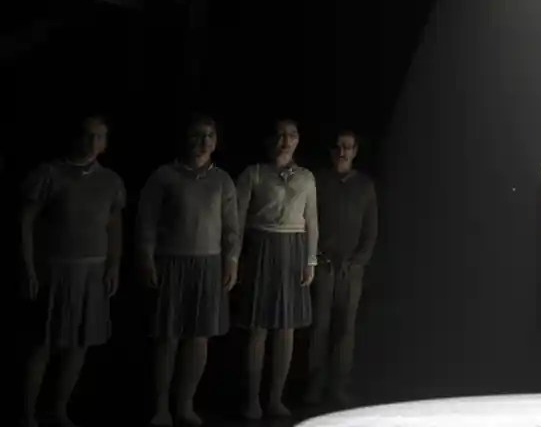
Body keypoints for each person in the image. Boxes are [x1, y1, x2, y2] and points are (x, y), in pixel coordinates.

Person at [20, 115, 126, 427]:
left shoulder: (110, 181)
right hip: (55, 270)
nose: (92, 143)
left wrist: (114, 264)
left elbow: (115, 226)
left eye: (99, 137)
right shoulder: (49, 174)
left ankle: (59, 410)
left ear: (105, 144)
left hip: (92, 272)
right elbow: (25, 222)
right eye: (87, 135)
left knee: (80, 344)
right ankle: (27, 414)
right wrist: (27, 266)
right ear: (76, 137)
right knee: (44, 343)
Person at [136, 115, 241, 426]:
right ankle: (161, 407)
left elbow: (232, 228)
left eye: (209, 135)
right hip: (171, 262)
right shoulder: (164, 176)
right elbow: (146, 222)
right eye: (197, 135)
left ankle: (185, 404)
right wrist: (146, 258)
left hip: (208, 264)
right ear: (185, 138)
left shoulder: (222, 180)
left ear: (216, 141)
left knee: (198, 338)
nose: (204, 141)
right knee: (167, 337)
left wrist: (231, 261)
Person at [234, 118, 318, 419]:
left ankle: (276, 398)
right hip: (260, 248)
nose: (286, 140)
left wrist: (310, 260)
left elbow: (312, 222)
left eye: (292, 135)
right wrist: (235, 259)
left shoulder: (306, 177)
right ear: (271, 139)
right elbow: (237, 222)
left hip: (293, 251)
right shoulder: (253, 174)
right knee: (258, 327)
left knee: (286, 328)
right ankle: (252, 399)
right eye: (281, 135)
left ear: (298, 140)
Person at [304, 129, 378, 407]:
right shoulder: (319, 181)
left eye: (347, 147)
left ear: (355, 151)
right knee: (318, 328)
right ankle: (314, 386)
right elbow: (307, 222)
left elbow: (371, 230)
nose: (342, 152)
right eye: (337, 147)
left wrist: (358, 261)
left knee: (345, 330)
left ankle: (339, 386)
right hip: (323, 266)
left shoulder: (365, 186)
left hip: (351, 270)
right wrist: (315, 257)